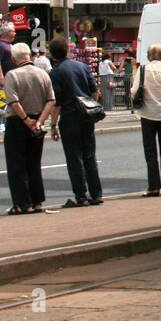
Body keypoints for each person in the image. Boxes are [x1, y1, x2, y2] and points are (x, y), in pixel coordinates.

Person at [48, 36, 102, 208]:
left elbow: (56, 101)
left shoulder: (55, 72)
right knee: (89, 155)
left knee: (74, 158)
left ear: (52, 54)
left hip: (69, 117)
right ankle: (97, 194)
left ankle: (81, 196)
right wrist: (91, 106)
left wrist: (53, 125)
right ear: (68, 50)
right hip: (86, 116)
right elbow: (94, 91)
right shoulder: (82, 66)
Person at [1, 42, 55, 215]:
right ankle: (37, 201)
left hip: (18, 123)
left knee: (17, 164)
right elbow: (51, 100)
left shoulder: (12, 75)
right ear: (30, 56)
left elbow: (13, 102)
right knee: (34, 163)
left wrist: (26, 120)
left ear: (13, 58)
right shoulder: (43, 74)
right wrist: (39, 121)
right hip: (38, 120)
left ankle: (22, 203)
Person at [131, 44, 161, 197]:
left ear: (149, 55)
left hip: (147, 114)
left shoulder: (143, 70)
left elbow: (133, 91)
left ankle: (153, 186)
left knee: (150, 152)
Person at [0, 23, 17, 133]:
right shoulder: (0, 45)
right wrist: (1, 77)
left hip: (11, 77)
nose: (15, 33)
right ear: (8, 33)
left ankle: (6, 122)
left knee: (9, 101)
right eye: (13, 31)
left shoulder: (9, 45)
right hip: (3, 78)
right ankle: (0, 123)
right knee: (0, 100)